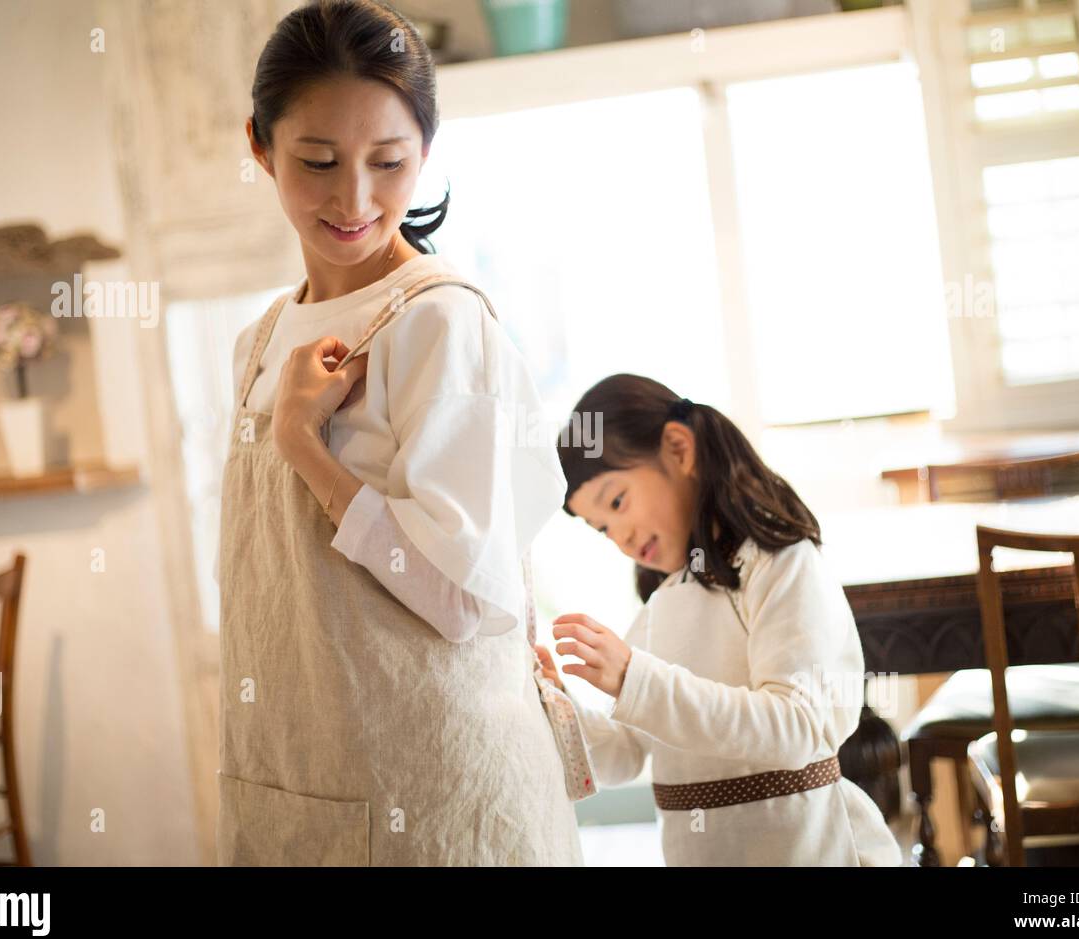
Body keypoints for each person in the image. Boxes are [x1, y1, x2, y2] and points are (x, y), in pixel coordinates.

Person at [215, 0, 582, 866]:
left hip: (436, 798)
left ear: (426, 154)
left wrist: (304, 447)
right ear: (260, 146)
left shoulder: (439, 323)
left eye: (389, 162)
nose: (354, 199)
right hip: (299, 782)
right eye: (317, 161)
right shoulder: (260, 340)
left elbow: (460, 600)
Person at [543, 373, 902, 866]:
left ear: (678, 449)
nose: (619, 536)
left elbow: (796, 727)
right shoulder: (664, 604)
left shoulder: (781, 566)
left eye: (617, 502)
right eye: (602, 528)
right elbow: (621, 756)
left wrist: (635, 679)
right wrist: (558, 706)